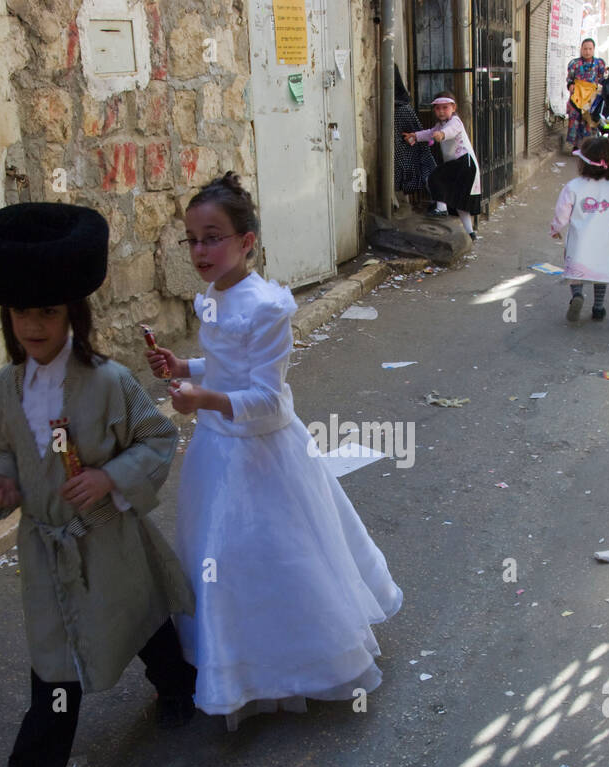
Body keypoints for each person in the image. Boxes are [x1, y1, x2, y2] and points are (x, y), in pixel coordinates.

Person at [146, 173, 403, 731]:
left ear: (247, 241)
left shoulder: (267, 307)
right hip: (218, 449)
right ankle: (236, 663)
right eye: (191, 239)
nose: (199, 251)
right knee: (224, 558)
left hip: (263, 453)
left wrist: (201, 399)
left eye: (212, 237)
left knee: (275, 553)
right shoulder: (212, 296)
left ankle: (298, 660)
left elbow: (265, 396)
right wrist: (183, 367)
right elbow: (224, 364)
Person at [0, 202, 197, 767]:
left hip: (109, 538)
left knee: (141, 618)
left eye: (47, 311)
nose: (33, 325)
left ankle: (177, 686)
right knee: (55, 658)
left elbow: (157, 438)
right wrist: (2, 482)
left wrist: (108, 479)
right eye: (22, 311)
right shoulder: (3, 389)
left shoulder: (108, 383)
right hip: (47, 550)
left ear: (74, 313)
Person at [550, 136, 609, 323]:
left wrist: (556, 228)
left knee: (576, 271)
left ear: (582, 163)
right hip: (604, 245)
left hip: (579, 243)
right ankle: (598, 307)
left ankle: (577, 295)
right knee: (600, 274)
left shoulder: (573, 187)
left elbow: (562, 213)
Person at [404, 91, 482, 239]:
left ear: (453, 108)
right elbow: (430, 133)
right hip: (459, 165)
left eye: (445, 107)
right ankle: (471, 233)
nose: (441, 111)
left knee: (435, 177)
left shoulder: (455, 122)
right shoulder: (440, 124)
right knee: (460, 202)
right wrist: (415, 136)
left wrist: (442, 135)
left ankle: (441, 208)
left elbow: (449, 131)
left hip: (464, 163)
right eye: (438, 108)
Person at [393, 66, 437, 208]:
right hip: (409, 151)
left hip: (409, 151)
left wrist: (415, 138)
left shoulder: (401, 109)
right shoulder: (402, 106)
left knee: (428, 172)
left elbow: (417, 133)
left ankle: (440, 205)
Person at [565, 39, 607, 149]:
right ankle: (575, 146)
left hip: (591, 97)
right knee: (575, 120)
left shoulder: (599, 63)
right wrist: (571, 85)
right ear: (581, 49)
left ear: (593, 49)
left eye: (590, 49)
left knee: (588, 121)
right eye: (585, 49)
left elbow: (602, 79)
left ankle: (588, 146)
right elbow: (570, 79)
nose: (587, 51)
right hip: (577, 96)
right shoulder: (574, 64)